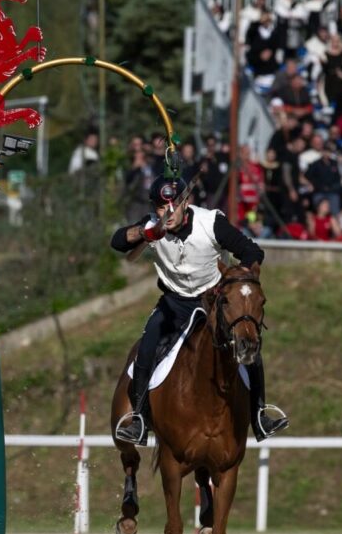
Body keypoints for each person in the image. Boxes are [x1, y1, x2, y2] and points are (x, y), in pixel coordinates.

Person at [110, 175, 289, 445]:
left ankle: (259, 415)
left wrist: (237, 278)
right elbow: (117, 241)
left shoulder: (211, 223)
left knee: (247, 341)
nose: (167, 213)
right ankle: (139, 419)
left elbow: (252, 251)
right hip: (174, 303)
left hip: (213, 300)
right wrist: (143, 234)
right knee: (147, 346)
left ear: (186, 203)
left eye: (172, 206)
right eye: (161, 207)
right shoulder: (151, 225)